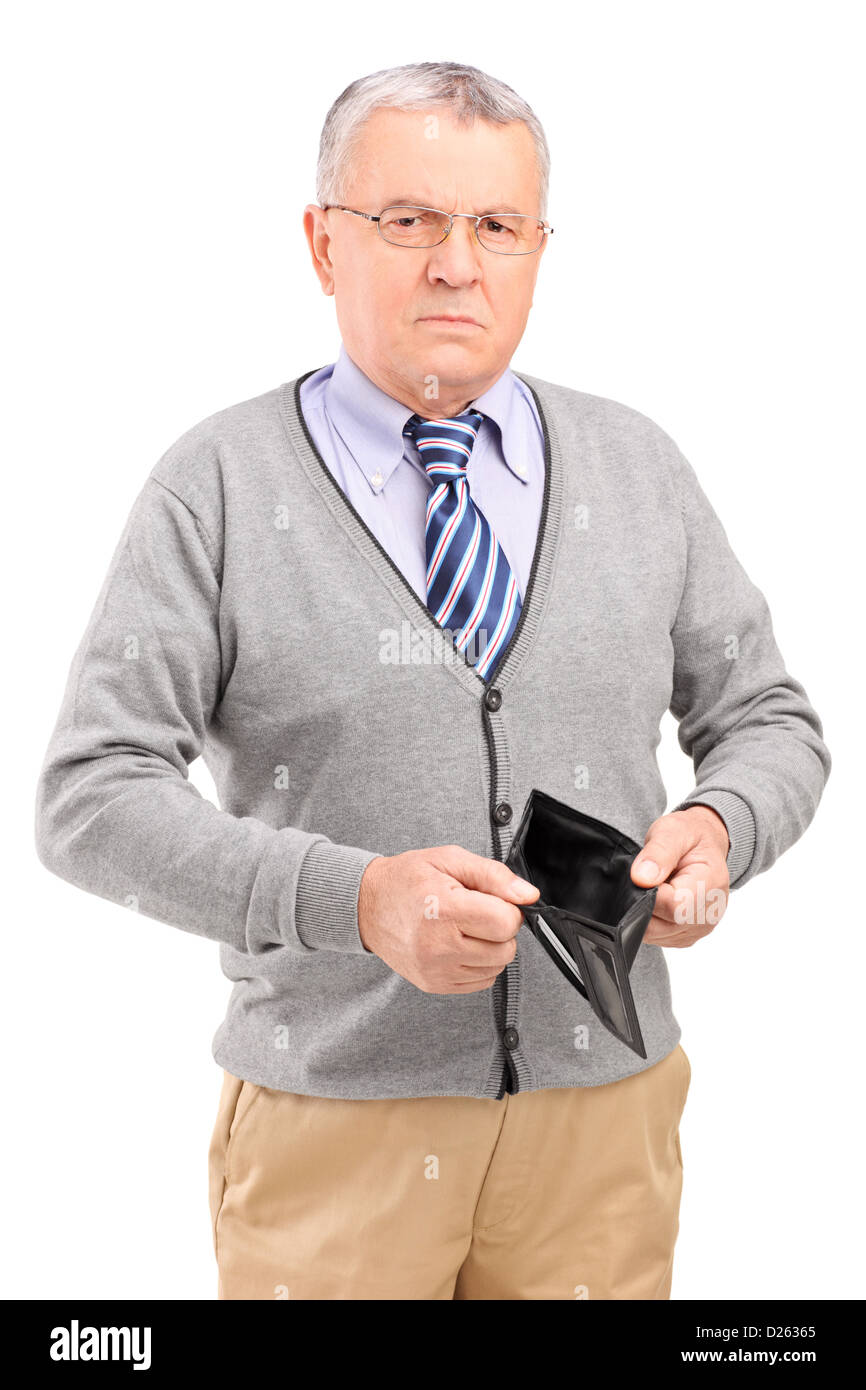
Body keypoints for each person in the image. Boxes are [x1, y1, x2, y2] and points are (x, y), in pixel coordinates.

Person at [34, 60, 831, 1300]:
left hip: (602, 1118)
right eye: (408, 220)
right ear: (321, 242)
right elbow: (90, 795)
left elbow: (767, 720)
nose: (456, 262)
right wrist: (354, 901)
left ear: (534, 248)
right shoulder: (219, 485)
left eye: (496, 225)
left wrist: (717, 828)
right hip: (333, 1127)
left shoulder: (638, 467)